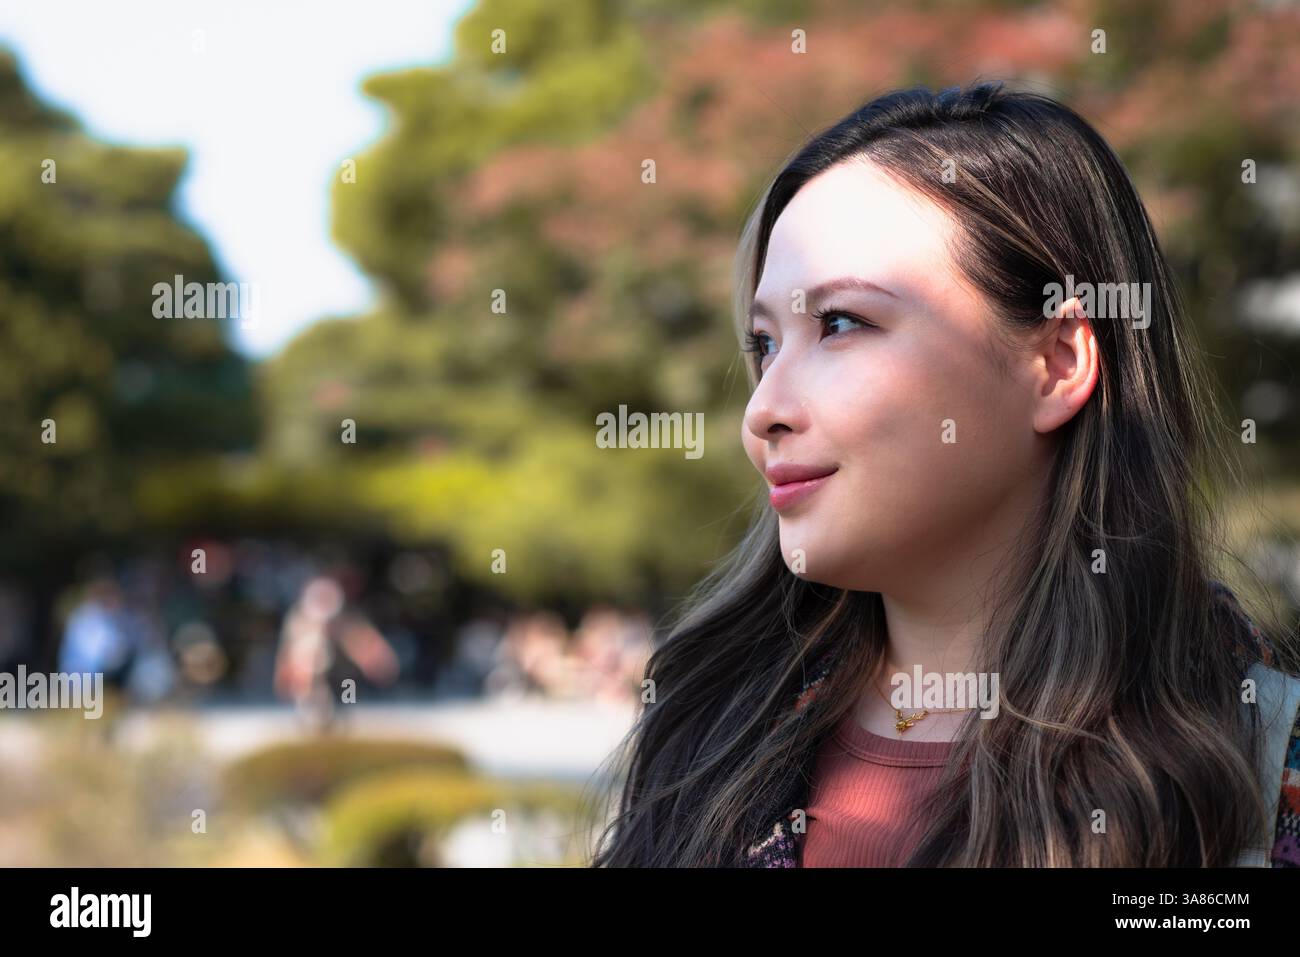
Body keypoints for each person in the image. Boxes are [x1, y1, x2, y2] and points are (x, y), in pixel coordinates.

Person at [588, 82, 1300, 868]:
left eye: (842, 323)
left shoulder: (1255, 765)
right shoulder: (702, 735)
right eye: (764, 344)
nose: (763, 410)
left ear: (1056, 365)